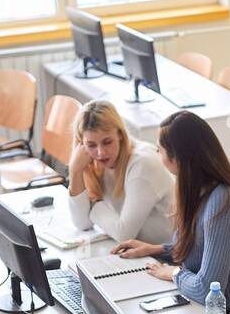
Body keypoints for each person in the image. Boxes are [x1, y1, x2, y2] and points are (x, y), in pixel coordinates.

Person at [110, 111, 230, 314]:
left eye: (159, 149)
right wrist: (156, 250)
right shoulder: (192, 187)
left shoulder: (222, 202)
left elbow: (208, 289)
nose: (156, 152)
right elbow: (199, 248)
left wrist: (172, 273)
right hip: (208, 311)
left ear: (177, 158)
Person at [67, 100, 174, 243]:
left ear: (120, 135)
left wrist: (93, 203)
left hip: (165, 257)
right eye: (91, 145)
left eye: (107, 142)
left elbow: (124, 234)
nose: (100, 153)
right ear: (81, 144)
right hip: (138, 252)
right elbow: (82, 223)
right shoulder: (95, 163)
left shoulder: (143, 164)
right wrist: (75, 170)